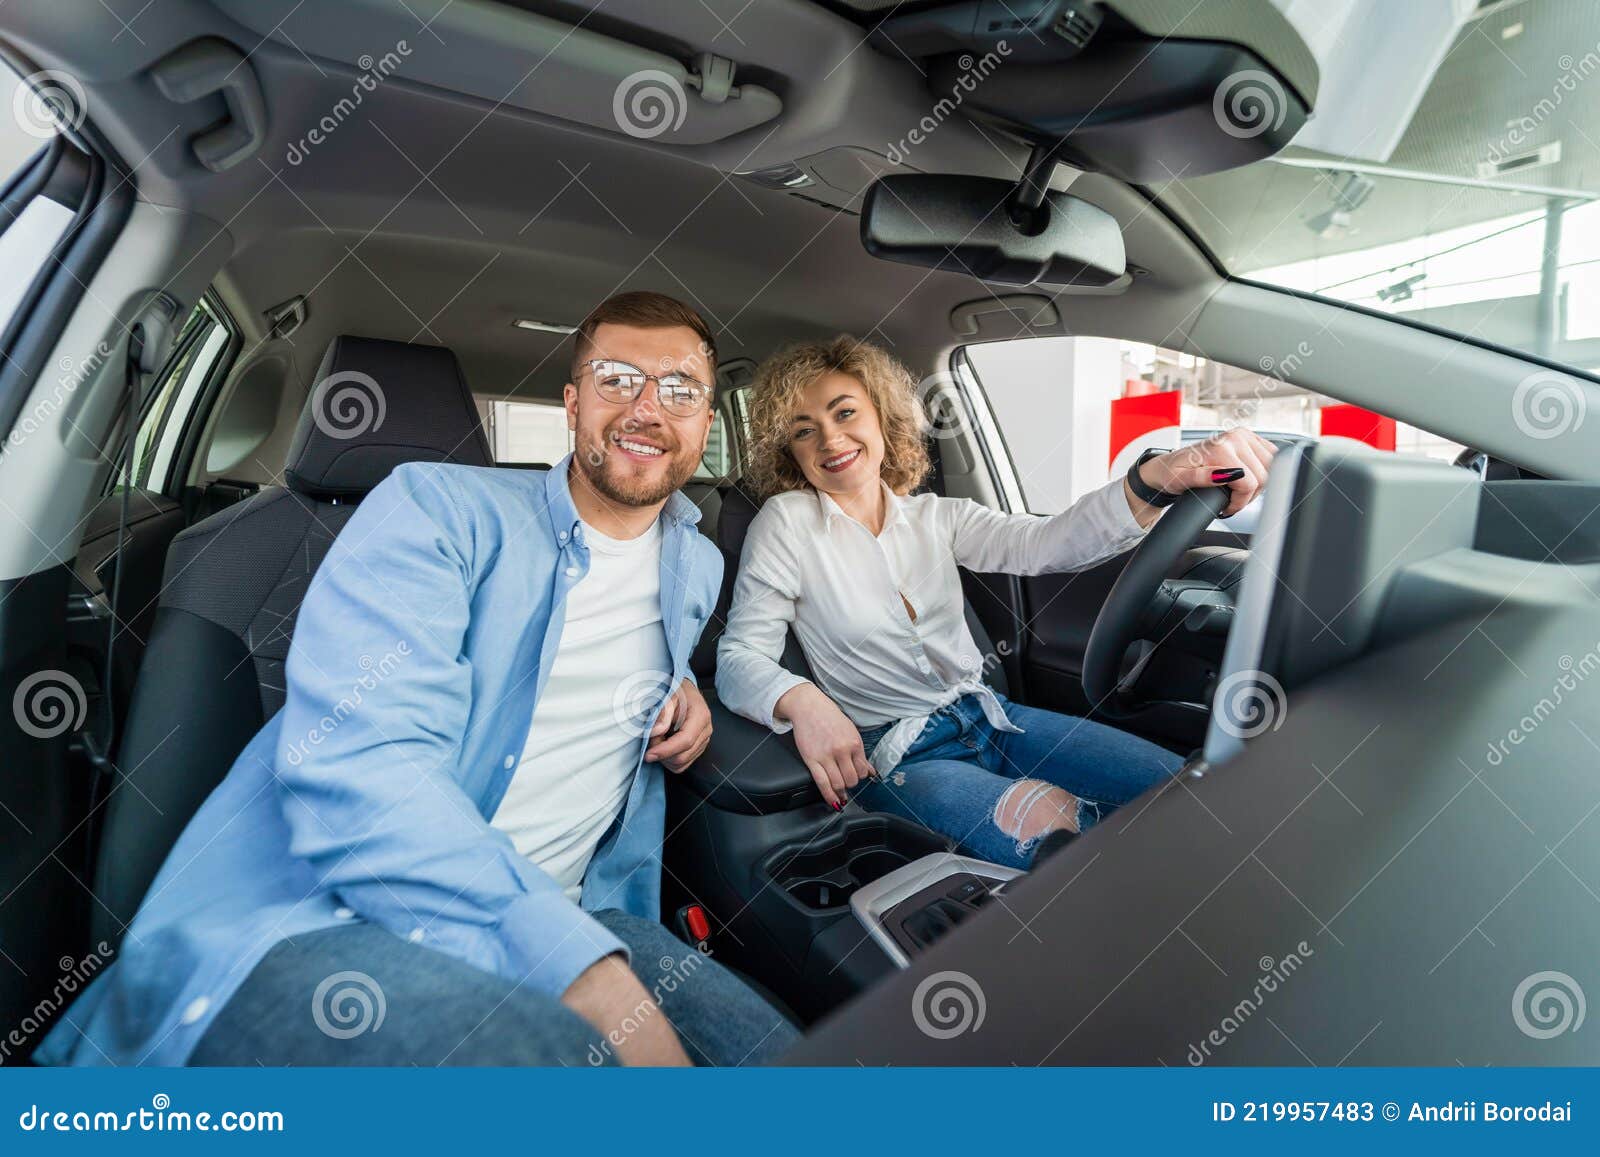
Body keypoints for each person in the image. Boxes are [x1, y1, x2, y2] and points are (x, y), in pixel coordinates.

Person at [36, 292, 797, 1067]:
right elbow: (370, 763)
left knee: (800, 1065)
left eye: (680, 389)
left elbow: (621, 654)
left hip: (592, 911)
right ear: (573, 404)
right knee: (541, 1061)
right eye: (617, 379)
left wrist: (681, 688)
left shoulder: (696, 558)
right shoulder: (436, 512)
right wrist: (576, 967)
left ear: (706, 420)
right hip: (343, 916)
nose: (647, 408)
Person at [716, 337, 1275, 868]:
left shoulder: (937, 516)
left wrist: (1153, 478)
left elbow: (1048, 543)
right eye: (804, 430)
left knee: (1191, 793)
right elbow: (740, 655)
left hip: (991, 717)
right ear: (790, 450)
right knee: (1073, 849)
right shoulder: (786, 522)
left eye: (844, 413)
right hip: (900, 754)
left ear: (882, 417)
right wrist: (804, 702)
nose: (830, 439)